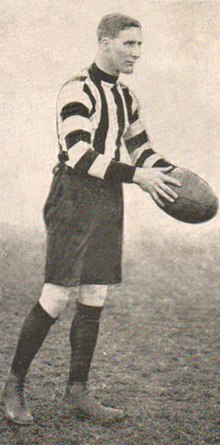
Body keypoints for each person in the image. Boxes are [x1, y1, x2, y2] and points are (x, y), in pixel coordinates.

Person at [1, 13, 181, 425]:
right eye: (128, 44)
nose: (137, 52)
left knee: (95, 295)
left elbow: (142, 150)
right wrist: (139, 176)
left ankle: (76, 392)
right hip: (73, 195)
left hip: (108, 197)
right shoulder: (76, 90)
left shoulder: (127, 97)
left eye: (140, 45)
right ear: (104, 42)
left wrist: (174, 175)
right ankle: (13, 385)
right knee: (56, 294)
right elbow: (80, 155)